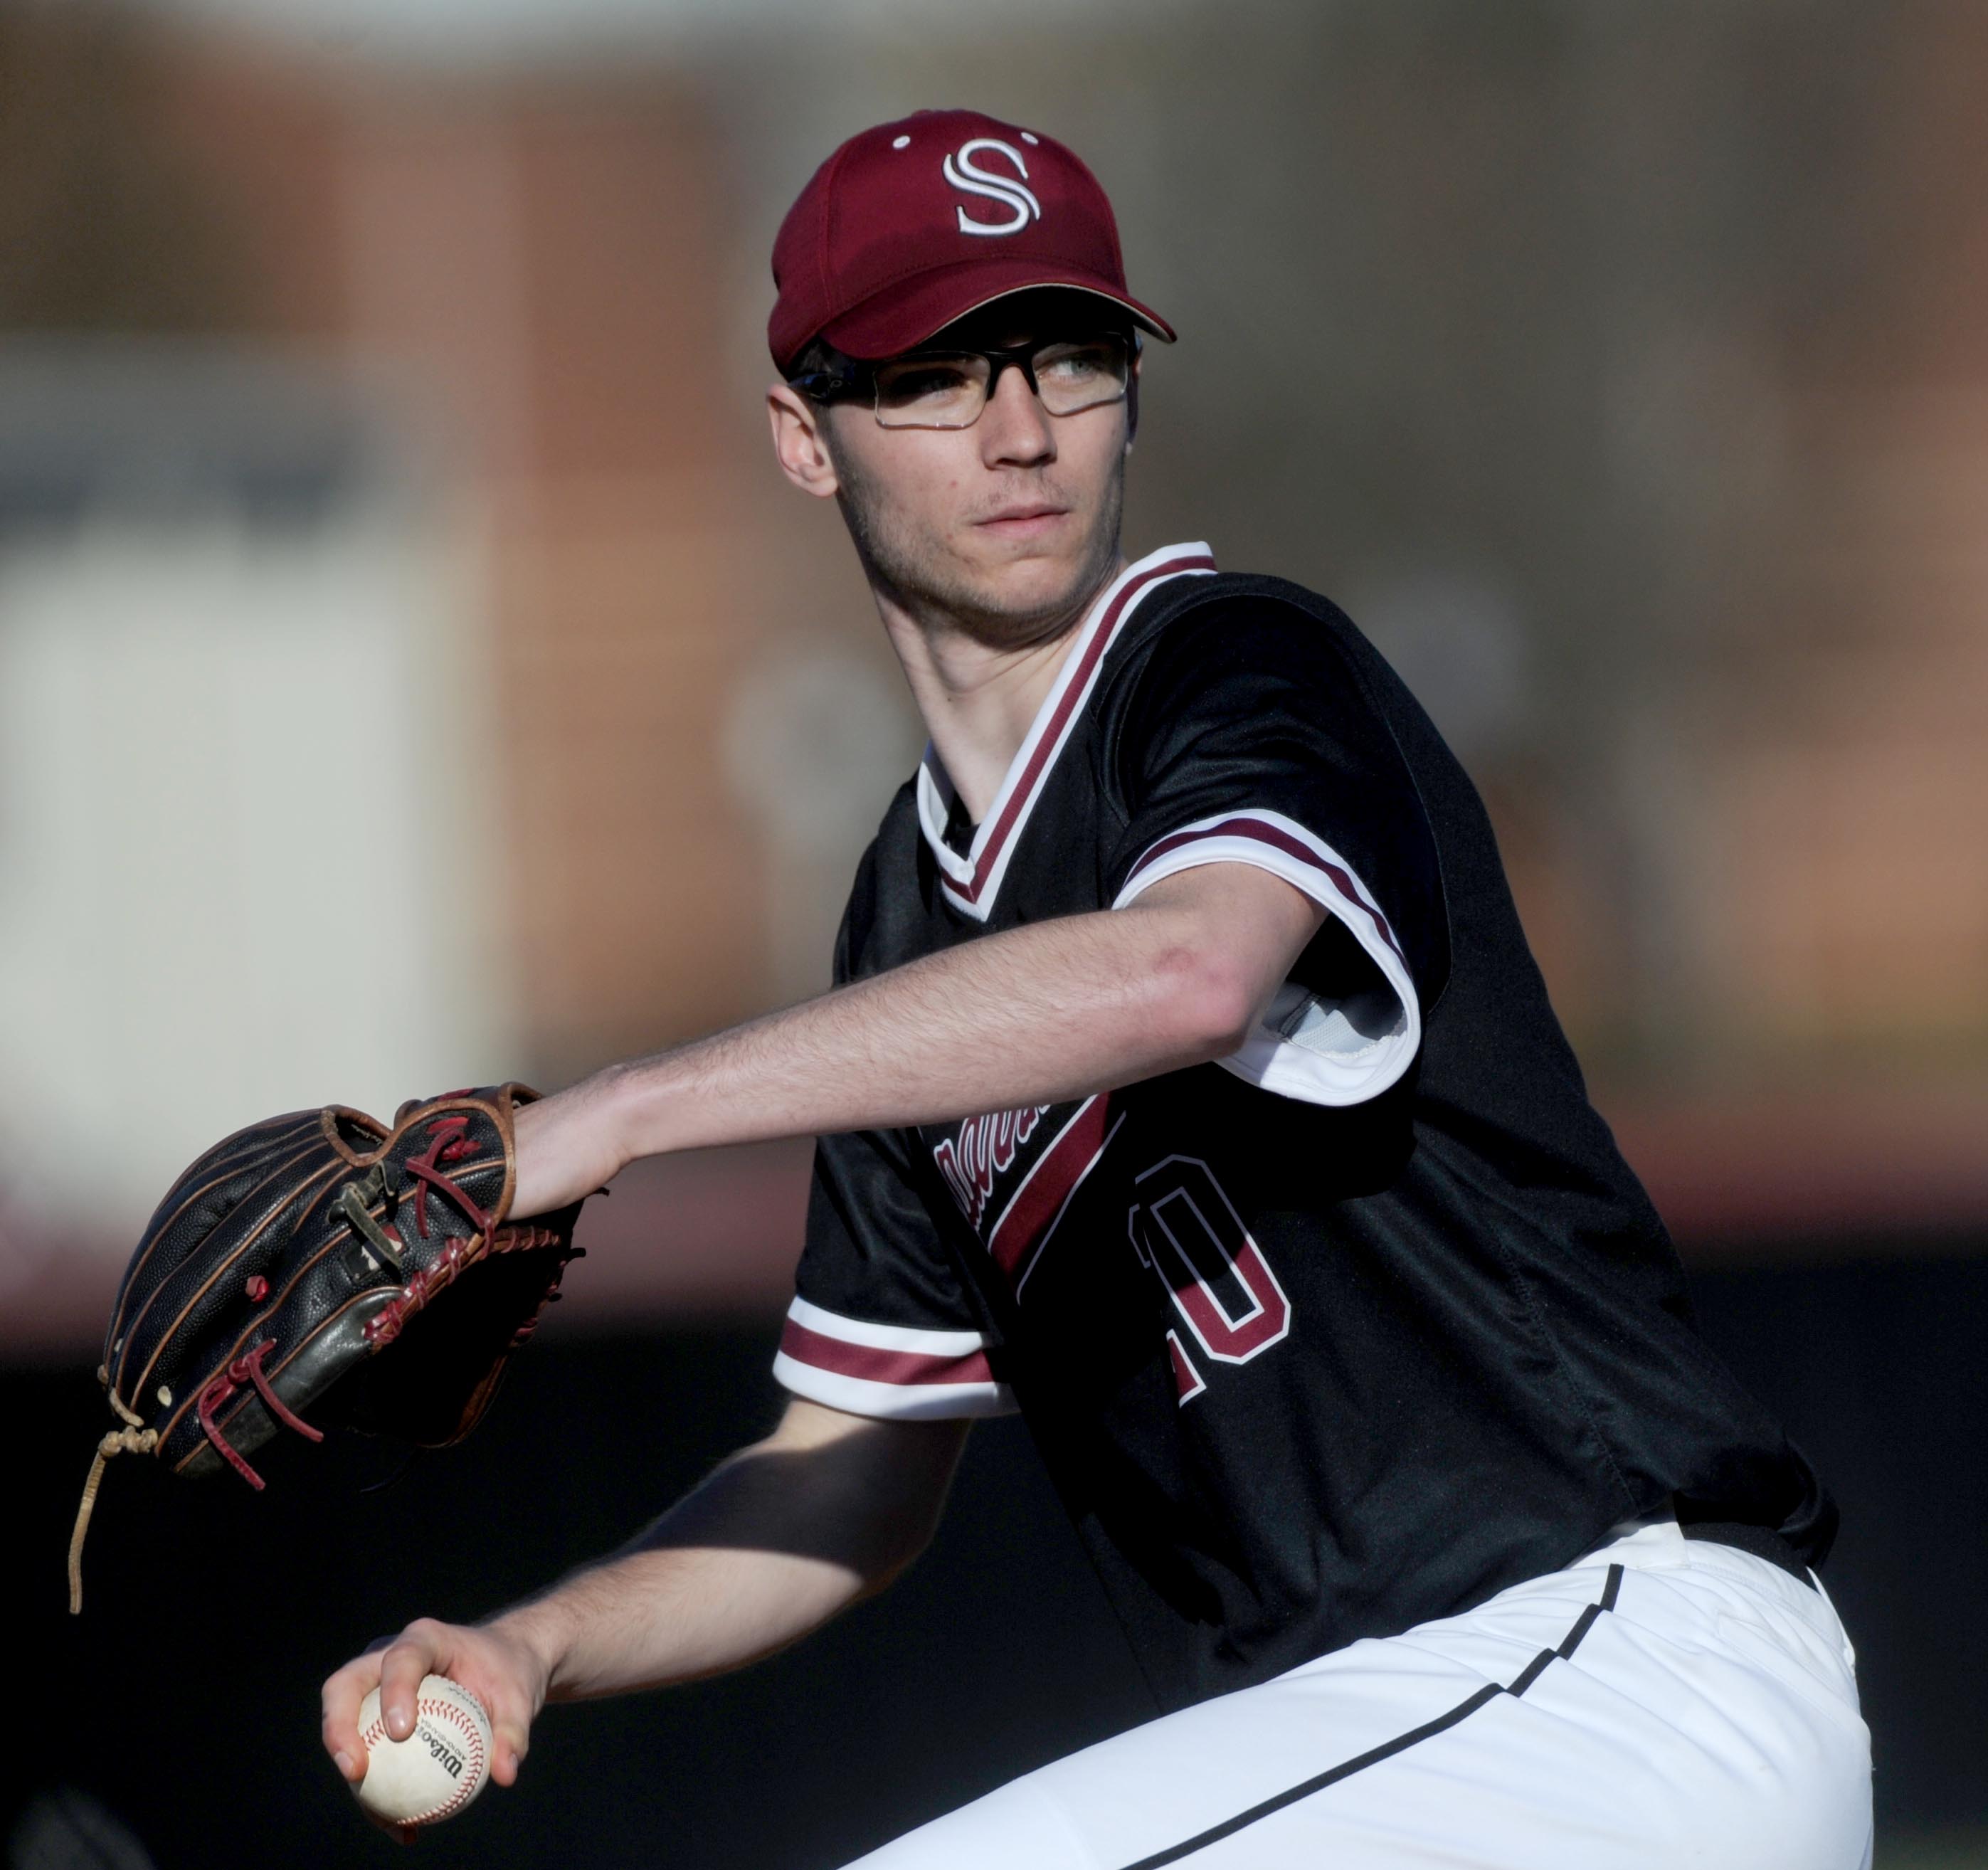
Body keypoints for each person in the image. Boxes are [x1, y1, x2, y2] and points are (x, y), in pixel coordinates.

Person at [320, 108, 1873, 1869]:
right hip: (1357, 1749)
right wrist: (536, 1644)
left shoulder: (1230, 674)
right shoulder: (900, 927)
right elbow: (850, 1467)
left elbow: (1191, 969)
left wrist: (613, 1114)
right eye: (934, 371)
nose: (1018, 428)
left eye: (1068, 354)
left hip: (1602, 1663)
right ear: (802, 435)